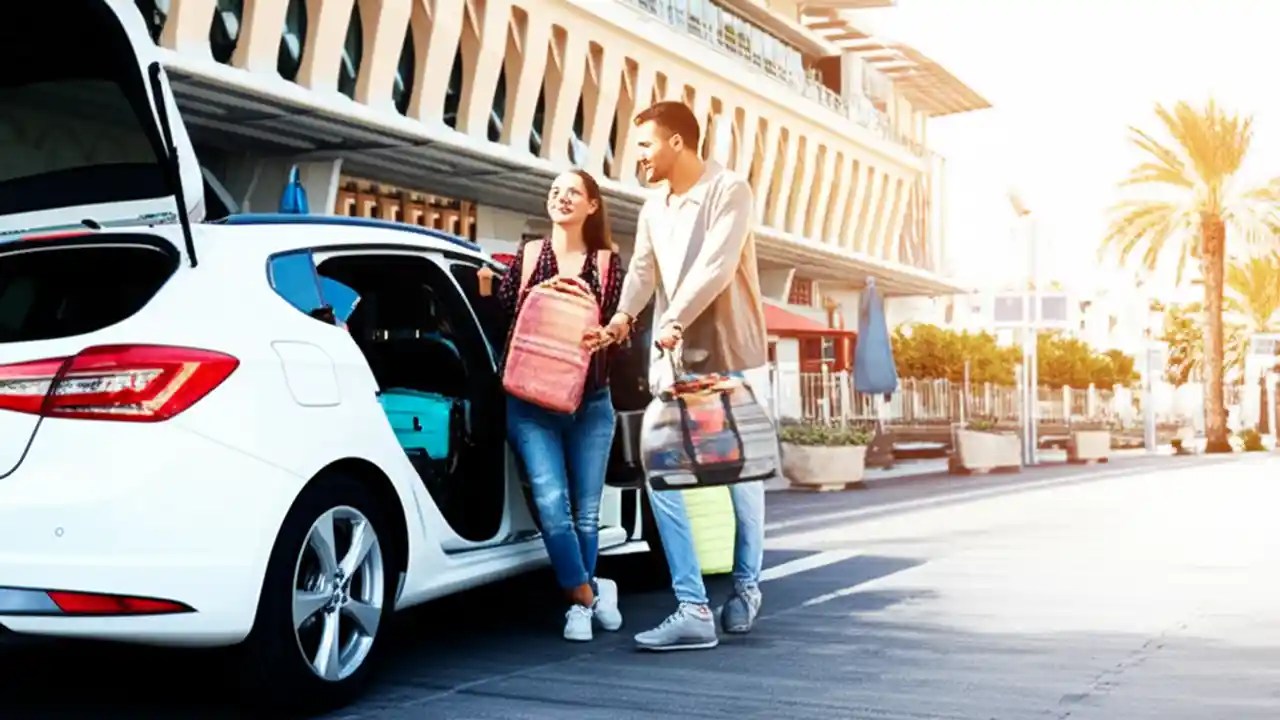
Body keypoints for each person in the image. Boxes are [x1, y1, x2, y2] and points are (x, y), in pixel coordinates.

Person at [600, 101, 770, 651]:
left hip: (727, 355)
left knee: (740, 482)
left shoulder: (730, 190)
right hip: (672, 361)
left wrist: (673, 318)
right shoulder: (654, 206)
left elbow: (717, 265)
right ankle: (693, 605)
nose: (639, 156)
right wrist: (624, 318)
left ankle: (745, 587)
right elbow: (645, 269)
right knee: (662, 473)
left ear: (677, 142)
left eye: (646, 144)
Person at [492, 169, 626, 642]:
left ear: (593, 205)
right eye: (555, 190)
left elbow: (619, 330)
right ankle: (587, 595)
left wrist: (608, 333)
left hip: (590, 403)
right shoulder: (530, 257)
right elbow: (503, 316)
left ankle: (580, 607)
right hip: (529, 402)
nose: (561, 197)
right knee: (552, 505)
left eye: (573, 192)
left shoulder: (609, 266)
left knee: (586, 513)